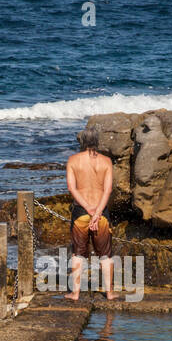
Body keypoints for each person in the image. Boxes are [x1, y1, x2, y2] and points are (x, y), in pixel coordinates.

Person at [65, 125, 115, 300]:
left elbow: (72, 188)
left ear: (82, 141)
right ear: (97, 141)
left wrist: (88, 209)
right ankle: (109, 293)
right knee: (106, 255)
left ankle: (75, 293)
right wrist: (97, 213)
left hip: (81, 212)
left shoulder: (73, 160)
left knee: (78, 253)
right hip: (101, 213)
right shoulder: (106, 161)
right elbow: (107, 191)